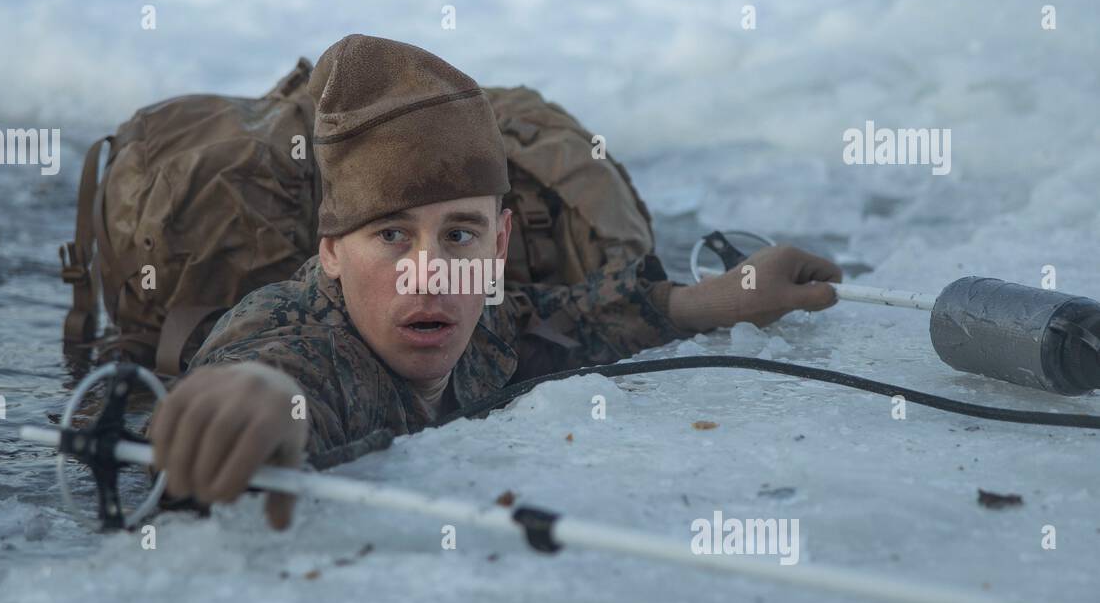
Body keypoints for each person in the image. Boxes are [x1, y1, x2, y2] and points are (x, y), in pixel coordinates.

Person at [149, 34, 842, 529]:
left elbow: (563, 318)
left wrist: (716, 298)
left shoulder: (483, 314)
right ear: (330, 252)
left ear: (499, 244)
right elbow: (270, 369)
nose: (430, 273)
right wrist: (260, 399)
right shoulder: (301, 338)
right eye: (390, 235)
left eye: (458, 235)